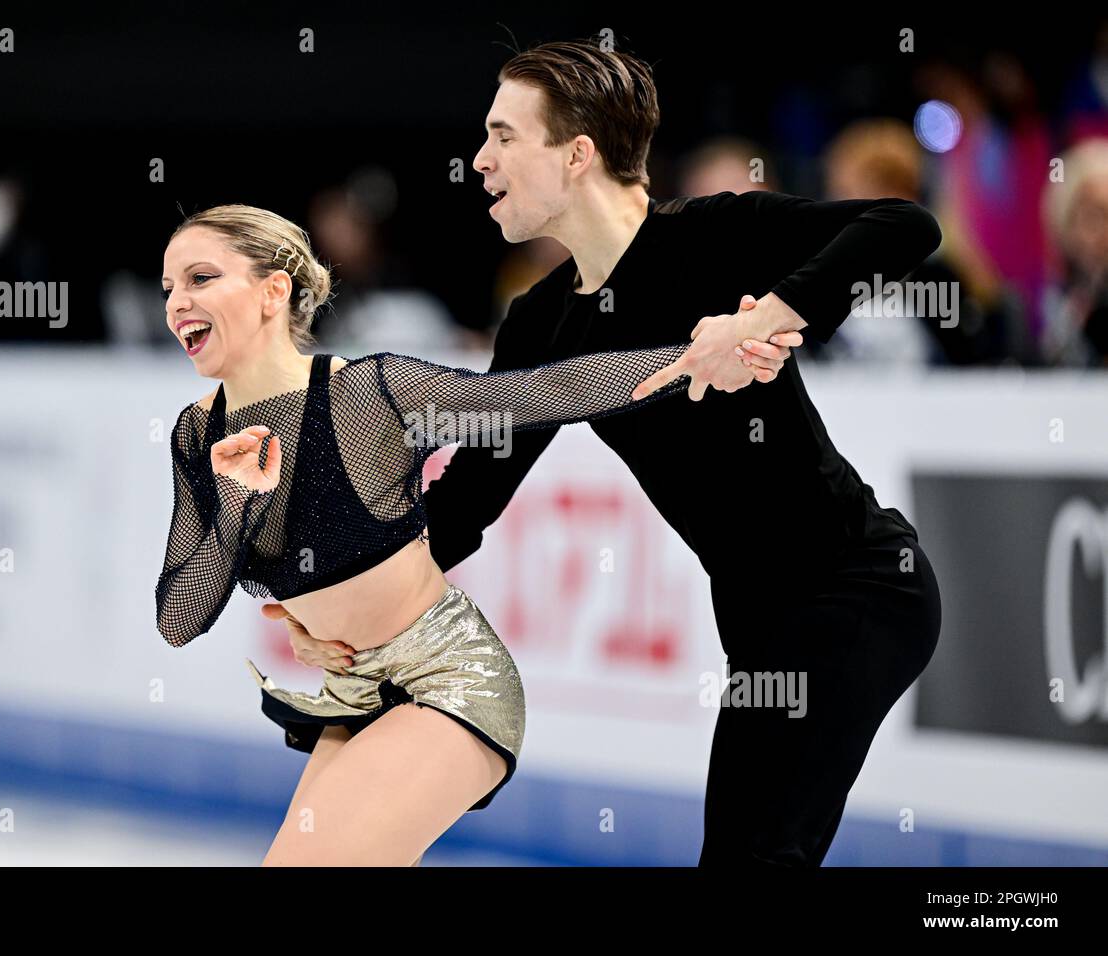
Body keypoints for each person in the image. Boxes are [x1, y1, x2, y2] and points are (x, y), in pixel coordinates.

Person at [276, 39, 944, 867]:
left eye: (504, 137)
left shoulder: (713, 236)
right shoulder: (542, 323)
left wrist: (762, 317)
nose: (480, 161)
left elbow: (904, 224)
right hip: (762, 626)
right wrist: (338, 609)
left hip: (857, 592)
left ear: (578, 153)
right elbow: (465, 504)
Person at [154, 204, 793, 867]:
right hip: (352, 695)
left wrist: (699, 359)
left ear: (273, 291)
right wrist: (234, 506)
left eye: (201, 278)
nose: (178, 303)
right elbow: (178, 619)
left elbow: (539, 394)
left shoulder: (369, 393)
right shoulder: (197, 434)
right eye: (169, 287)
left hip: (449, 678)